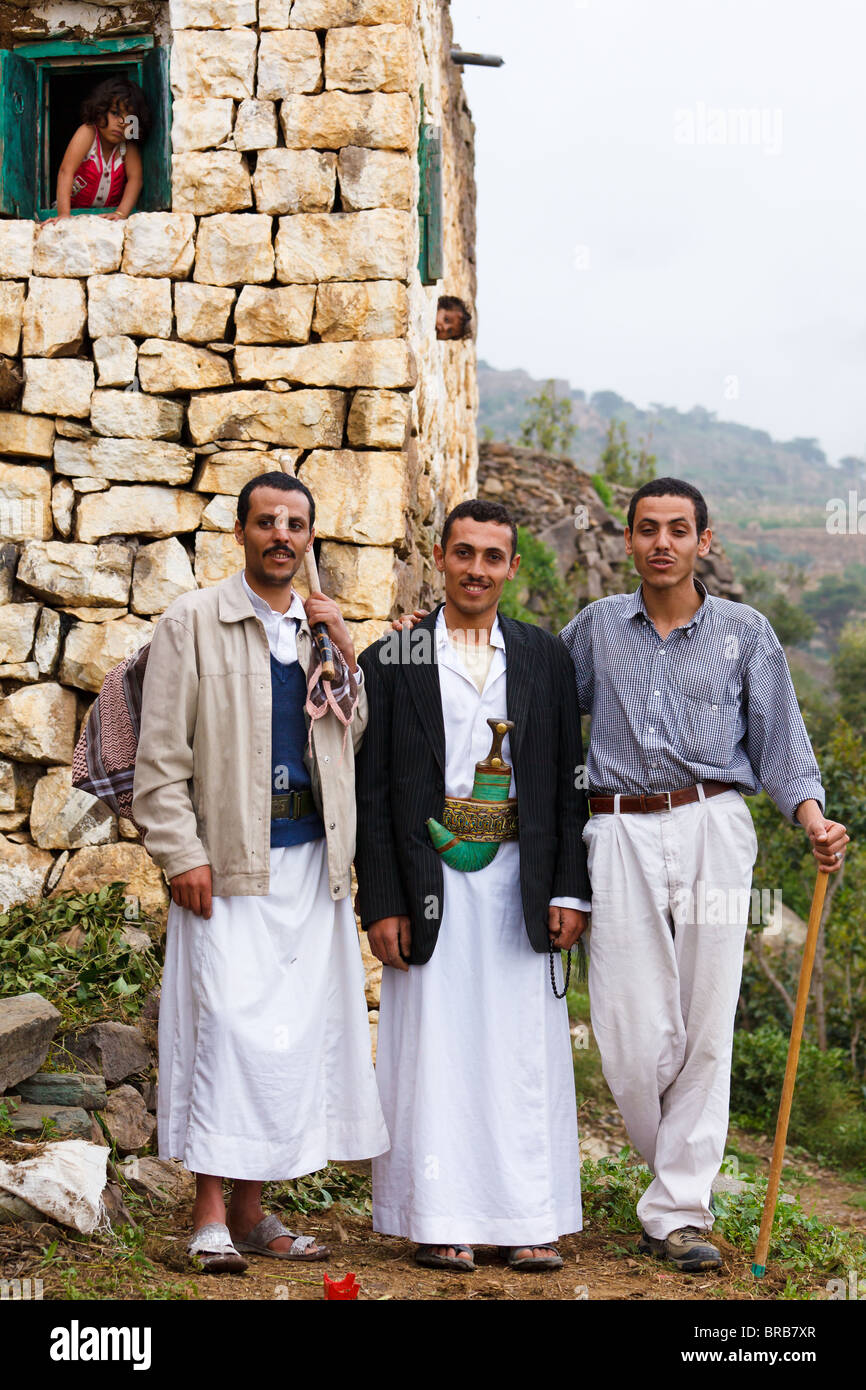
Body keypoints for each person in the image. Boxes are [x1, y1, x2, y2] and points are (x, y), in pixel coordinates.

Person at [559, 476, 849, 1273]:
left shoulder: (746, 632)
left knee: (708, 1015)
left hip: (714, 822)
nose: (662, 542)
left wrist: (814, 816)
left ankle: (679, 1211)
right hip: (615, 825)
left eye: (678, 530)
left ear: (703, 542)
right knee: (627, 1029)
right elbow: (543, 704)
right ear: (627, 542)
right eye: (647, 528)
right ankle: (674, 1178)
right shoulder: (594, 629)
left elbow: (783, 743)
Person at [132, 472, 388, 1273]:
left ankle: (252, 1213)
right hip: (230, 866)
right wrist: (182, 853)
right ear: (240, 532)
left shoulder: (316, 628)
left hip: (314, 863)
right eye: (267, 521)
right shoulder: (194, 622)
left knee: (290, 1038)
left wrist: (343, 644)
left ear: (311, 537)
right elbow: (160, 757)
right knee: (226, 1032)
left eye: (297, 523)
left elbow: (354, 729)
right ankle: (208, 1214)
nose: (282, 534)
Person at [354, 499, 590, 1273]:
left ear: (512, 567)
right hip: (430, 877)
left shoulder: (544, 659)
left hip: (522, 876)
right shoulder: (393, 661)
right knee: (435, 1050)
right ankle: (440, 1217)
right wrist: (382, 898)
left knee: (521, 1051)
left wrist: (570, 889)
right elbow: (374, 789)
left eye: (494, 557)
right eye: (465, 553)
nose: (478, 569)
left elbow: (564, 783)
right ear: (440, 555)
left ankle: (527, 1219)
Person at [51, 77, 149, 221]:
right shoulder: (88, 133)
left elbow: (136, 179)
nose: (122, 123)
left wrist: (120, 214)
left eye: (129, 119)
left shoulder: (127, 146)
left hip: (105, 219)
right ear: (99, 111)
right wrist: (64, 215)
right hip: (72, 213)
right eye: (115, 113)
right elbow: (66, 171)